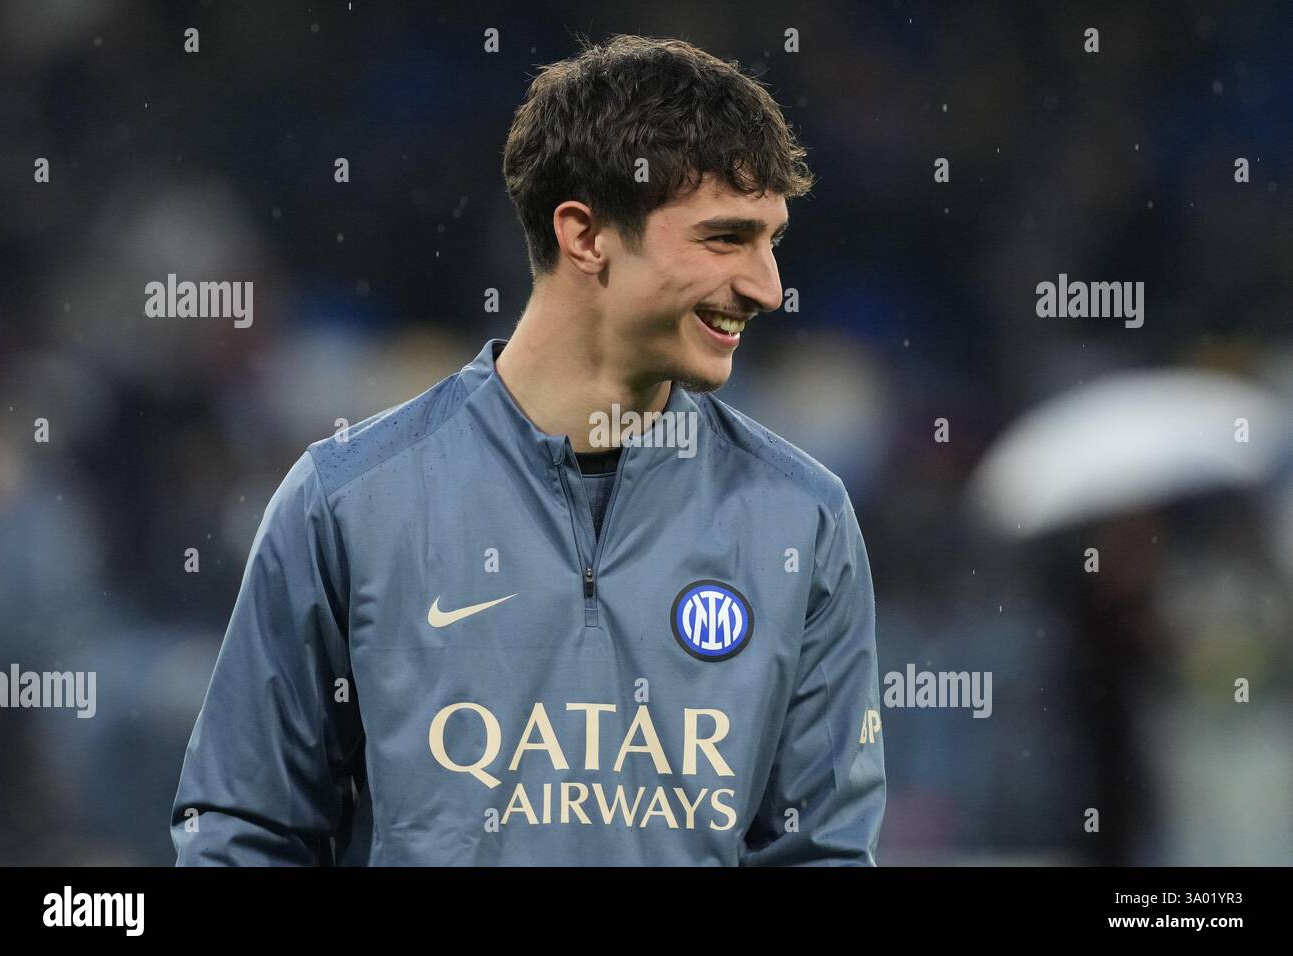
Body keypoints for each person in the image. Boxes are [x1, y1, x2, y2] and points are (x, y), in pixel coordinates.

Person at [171, 34, 885, 865]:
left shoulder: (803, 519)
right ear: (586, 236)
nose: (767, 286)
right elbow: (245, 833)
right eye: (725, 239)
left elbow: (821, 853)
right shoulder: (348, 502)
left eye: (772, 241)